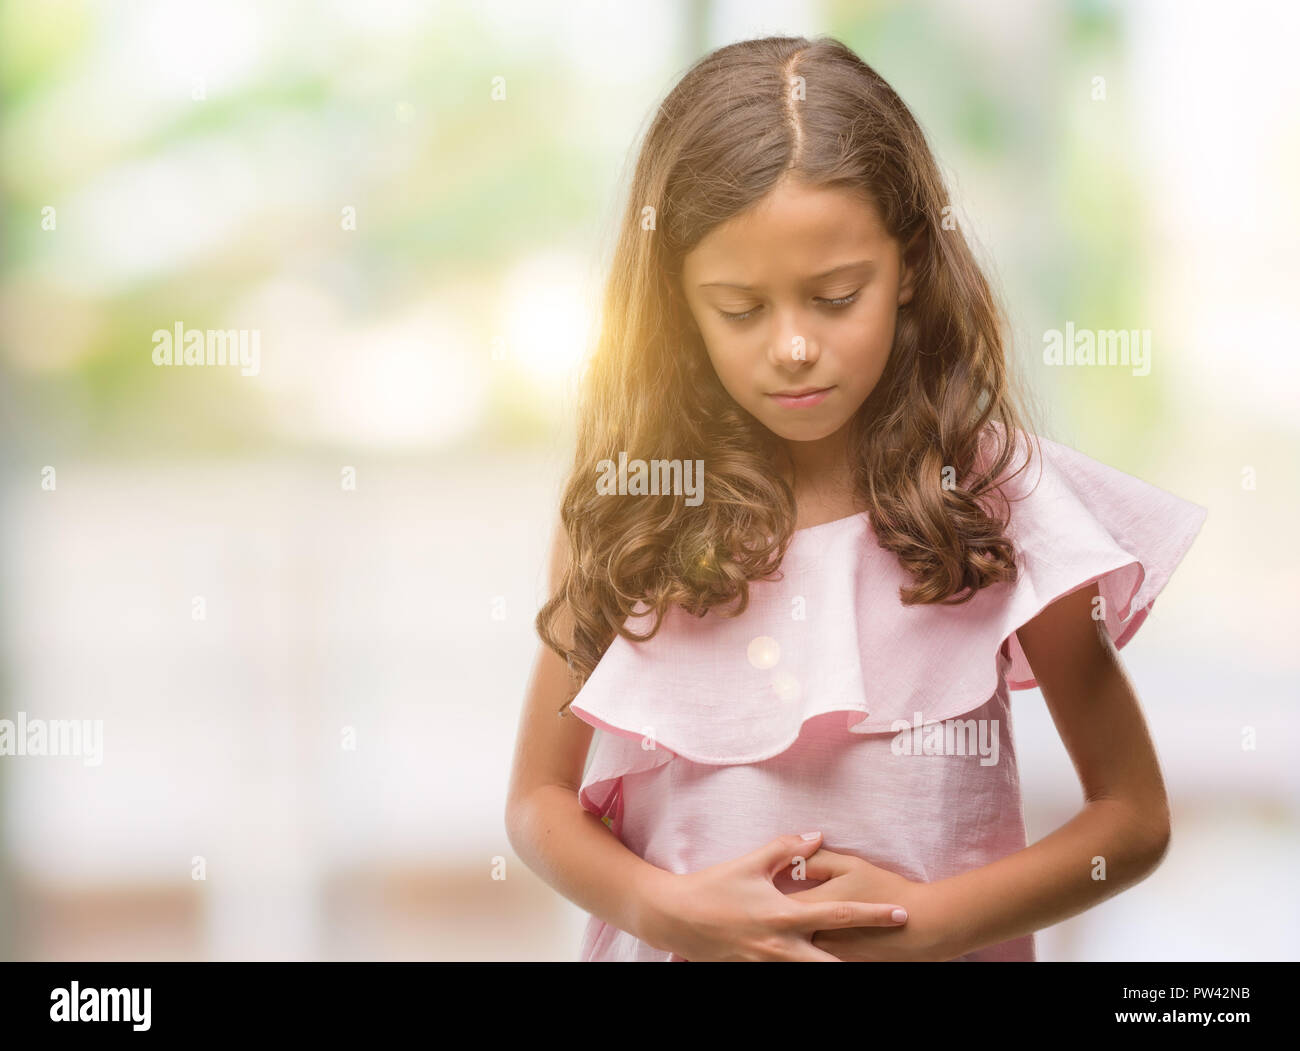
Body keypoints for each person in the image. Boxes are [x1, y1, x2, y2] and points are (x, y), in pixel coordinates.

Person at [504, 34, 1208, 962]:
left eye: (837, 295)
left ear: (910, 264)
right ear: (676, 299)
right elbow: (537, 801)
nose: (793, 346)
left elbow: (1132, 817)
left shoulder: (999, 500)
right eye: (740, 308)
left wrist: (931, 921)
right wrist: (670, 910)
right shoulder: (630, 510)